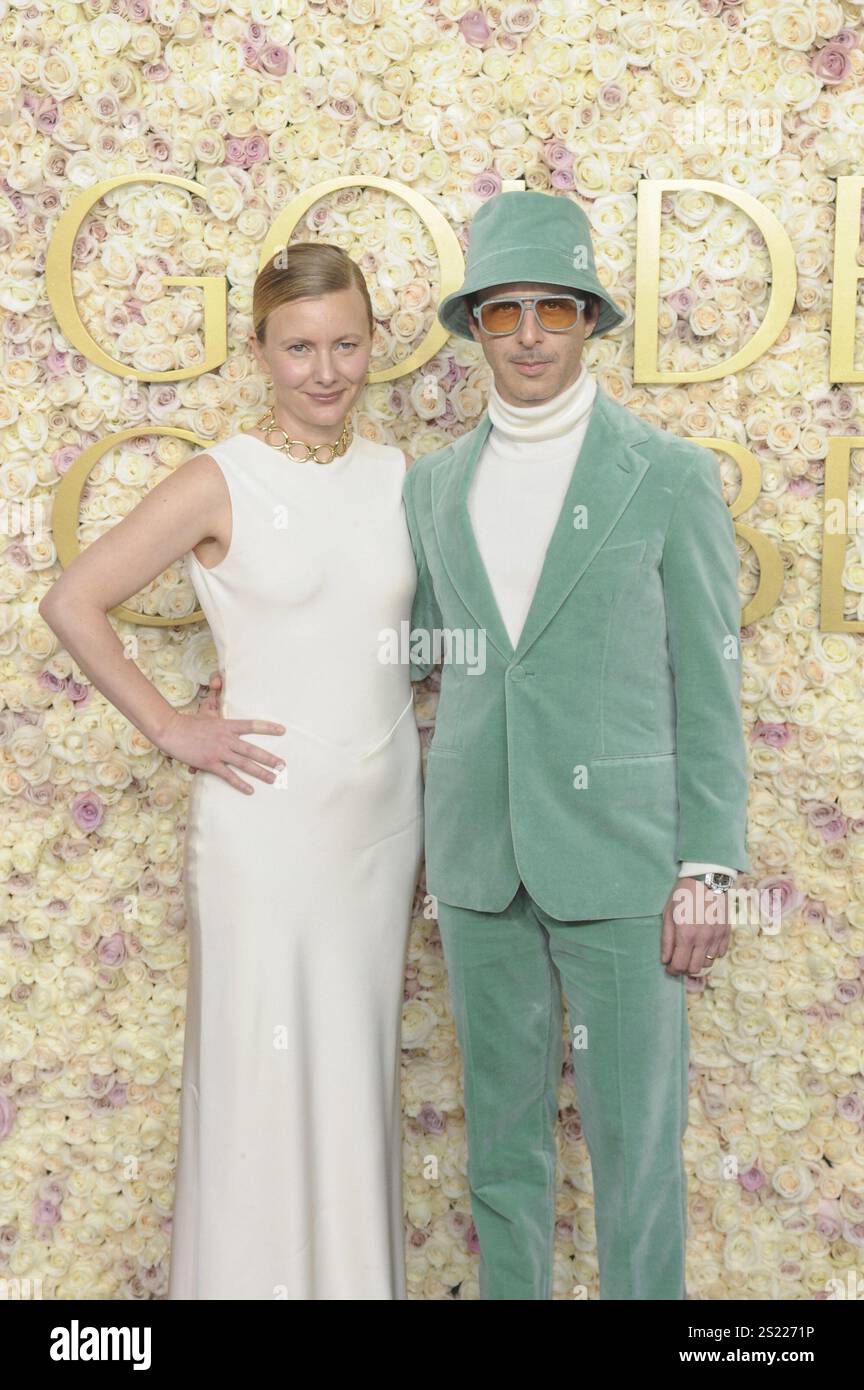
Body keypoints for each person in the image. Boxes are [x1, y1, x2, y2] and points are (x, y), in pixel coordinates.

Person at [38, 243, 425, 1299]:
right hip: (264, 826)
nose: (325, 369)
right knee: (259, 1074)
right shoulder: (220, 478)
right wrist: (170, 723)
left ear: (372, 343)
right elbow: (72, 601)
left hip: (383, 828)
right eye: (299, 347)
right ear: (259, 351)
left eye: (346, 343)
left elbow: (416, 638)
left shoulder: (403, 482)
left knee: (354, 1077)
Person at [400, 189, 751, 1299]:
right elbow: (426, 649)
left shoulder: (669, 475)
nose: (532, 333)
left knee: (636, 1150)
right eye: (504, 312)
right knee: (501, 1151)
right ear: (475, 332)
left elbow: (710, 677)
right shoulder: (432, 488)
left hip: (625, 860)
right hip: (476, 859)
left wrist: (709, 866)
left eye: (555, 306)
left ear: (591, 319)